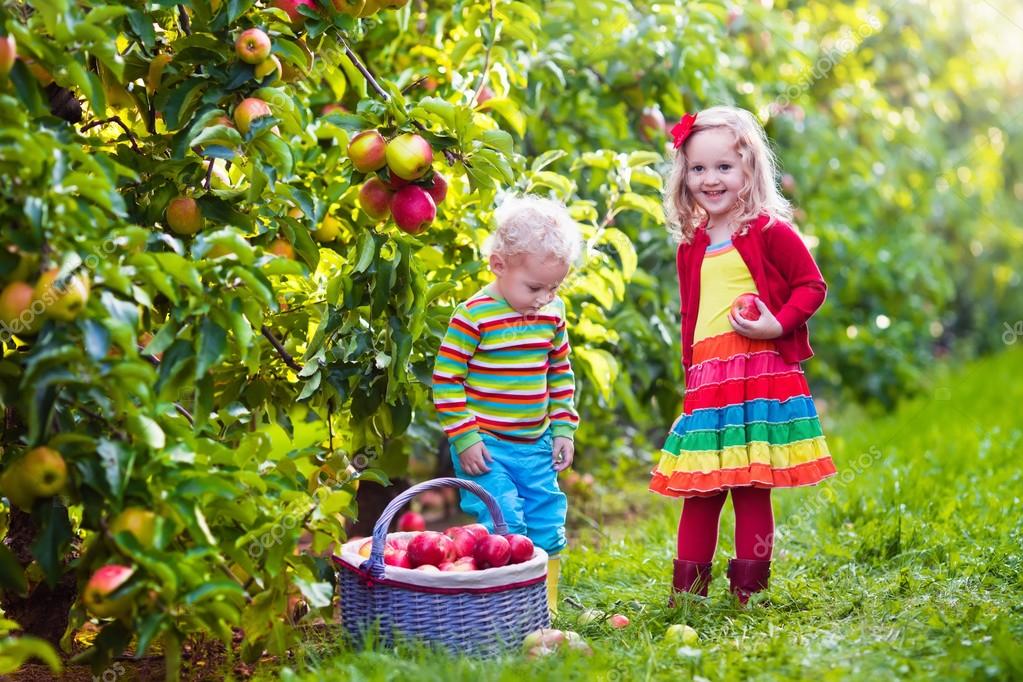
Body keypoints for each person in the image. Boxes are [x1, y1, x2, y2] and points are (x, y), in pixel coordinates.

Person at [651, 106, 837, 605]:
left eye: (723, 168)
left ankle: (748, 594)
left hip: (758, 370)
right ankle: (686, 596)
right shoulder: (691, 244)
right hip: (710, 380)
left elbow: (810, 285)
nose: (710, 180)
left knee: (751, 485)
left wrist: (777, 323)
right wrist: (691, 373)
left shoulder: (767, 230)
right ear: (684, 175)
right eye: (698, 169)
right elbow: (692, 314)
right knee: (701, 488)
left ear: (749, 169)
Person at [432, 194, 581, 614]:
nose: (544, 297)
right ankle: (497, 607)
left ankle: (542, 609)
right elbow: (446, 379)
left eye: (554, 287)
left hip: (535, 444)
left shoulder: (552, 313)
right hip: (487, 446)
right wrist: (464, 438)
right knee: (503, 523)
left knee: (547, 522)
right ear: (499, 265)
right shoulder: (473, 315)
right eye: (534, 287)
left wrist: (564, 427)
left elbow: (560, 373)